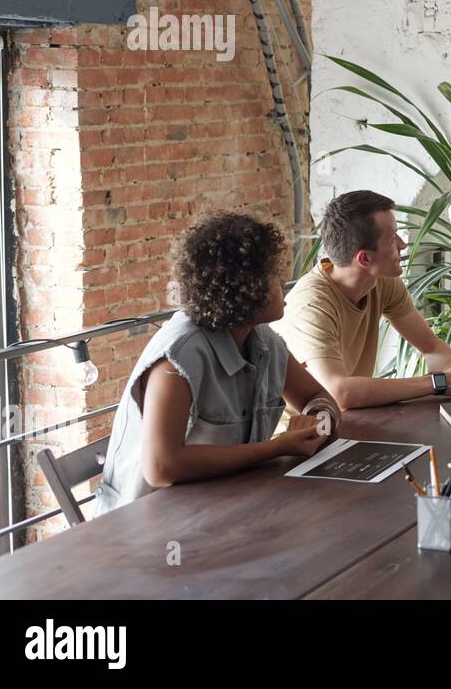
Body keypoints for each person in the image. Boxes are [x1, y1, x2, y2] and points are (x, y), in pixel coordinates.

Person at [96, 212, 341, 515]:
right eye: (273, 274)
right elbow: (161, 467)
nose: (283, 282)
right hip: (150, 529)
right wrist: (277, 448)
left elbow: (318, 399)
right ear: (244, 285)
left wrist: (318, 422)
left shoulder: (263, 340)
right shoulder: (180, 356)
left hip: (226, 509)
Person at [274, 190, 451, 410]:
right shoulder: (312, 304)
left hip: (353, 421)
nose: (403, 245)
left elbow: (431, 347)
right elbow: (339, 393)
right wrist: (440, 382)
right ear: (365, 258)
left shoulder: (380, 281)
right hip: (302, 434)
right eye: (392, 238)